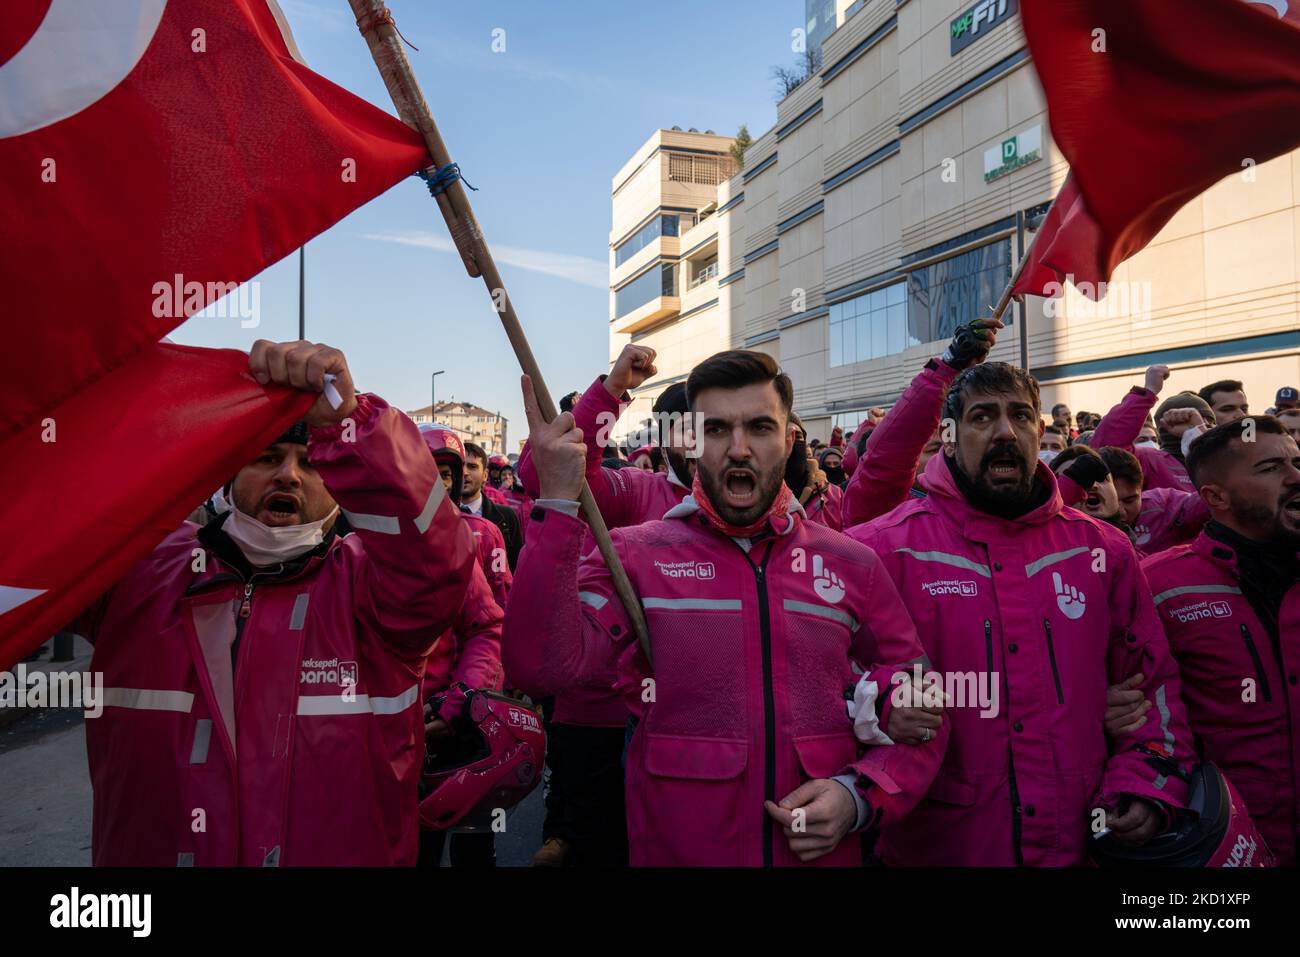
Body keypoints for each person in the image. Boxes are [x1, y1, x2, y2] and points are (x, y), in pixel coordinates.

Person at [504, 350, 947, 866]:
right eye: (716, 429)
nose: (739, 449)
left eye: (760, 427)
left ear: (788, 440)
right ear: (691, 443)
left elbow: (926, 705)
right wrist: (557, 500)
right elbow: (540, 667)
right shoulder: (635, 554)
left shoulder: (853, 563)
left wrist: (859, 798)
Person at [73, 340, 477, 866]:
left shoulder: (373, 595)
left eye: (311, 464)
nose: (287, 475)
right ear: (230, 475)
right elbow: (53, 523)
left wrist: (349, 427)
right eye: (267, 457)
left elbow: (438, 563)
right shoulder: (136, 574)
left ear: (340, 491)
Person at [847, 361, 1193, 866]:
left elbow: (1153, 686)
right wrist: (878, 705)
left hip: (1080, 845)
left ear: (1039, 430)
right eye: (982, 417)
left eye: (1021, 416)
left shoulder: (1103, 551)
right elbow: (824, 684)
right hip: (939, 848)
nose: (1005, 432)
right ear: (948, 436)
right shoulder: (879, 551)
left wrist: (1144, 782)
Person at [1140, 416, 1300, 863]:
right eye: (1270, 468)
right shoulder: (1161, 585)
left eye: (1297, 462)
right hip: (1231, 846)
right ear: (1215, 497)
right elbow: (1140, 720)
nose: (1295, 478)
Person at [417, 426, 510, 868]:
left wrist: (465, 700)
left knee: (474, 838)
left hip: (455, 720)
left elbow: (490, 621)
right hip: (385, 741)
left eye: (446, 474)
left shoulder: (480, 534)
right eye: (425, 472)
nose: (439, 485)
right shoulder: (356, 542)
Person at [840, 319, 1001, 528]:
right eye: (934, 449)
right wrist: (950, 363)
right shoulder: (881, 511)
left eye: (952, 446)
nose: (946, 455)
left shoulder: (987, 505)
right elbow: (887, 458)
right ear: (907, 464)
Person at [1088, 366, 1203, 492]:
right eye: (1188, 422)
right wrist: (1149, 391)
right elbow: (1107, 448)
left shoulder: (1222, 457)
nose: (1201, 426)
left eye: (1207, 423)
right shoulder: (1150, 460)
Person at [463, 442, 523, 570]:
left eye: (472, 466)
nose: (465, 472)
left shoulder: (507, 518)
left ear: (485, 475)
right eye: (460, 466)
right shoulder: (439, 516)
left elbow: (516, 569)